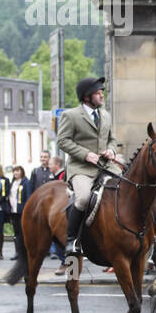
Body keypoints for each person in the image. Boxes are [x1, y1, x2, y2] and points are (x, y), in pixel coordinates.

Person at [56, 76, 123, 261]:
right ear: (86, 97)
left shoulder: (106, 115)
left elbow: (112, 139)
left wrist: (111, 150)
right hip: (81, 168)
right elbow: (62, 141)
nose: (102, 95)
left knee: (130, 186)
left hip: (106, 166)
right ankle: (72, 241)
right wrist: (85, 154)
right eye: (97, 92)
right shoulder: (71, 115)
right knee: (84, 198)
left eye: (102, 91)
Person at [9, 165, 29, 260]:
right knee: (16, 233)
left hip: (22, 211)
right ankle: (17, 252)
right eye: (14, 171)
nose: (15, 173)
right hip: (13, 211)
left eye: (17, 171)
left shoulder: (25, 182)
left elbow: (28, 197)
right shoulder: (13, 183)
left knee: (23, 233)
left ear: (22, 172)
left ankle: (24, 252)